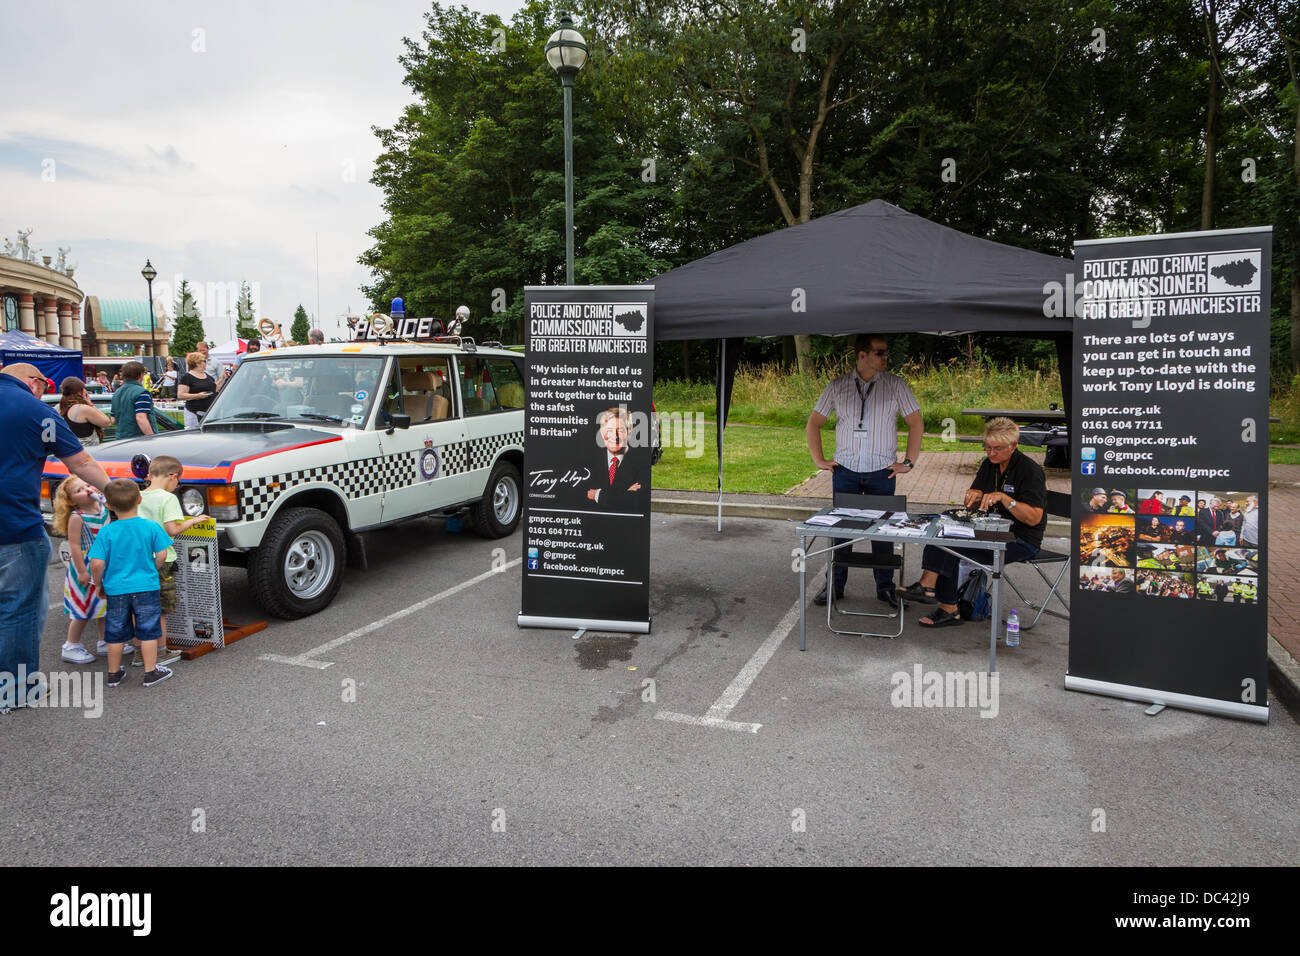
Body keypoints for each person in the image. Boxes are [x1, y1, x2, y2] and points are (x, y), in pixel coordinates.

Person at [0, 363, 110, 711]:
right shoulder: (33, 409)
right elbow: (81, 463)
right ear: (33, 383)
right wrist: (120, 495)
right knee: (19, 610)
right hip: (13, 525)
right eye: (44, 384)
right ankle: (16, 688)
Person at [807, 334, 922, 607]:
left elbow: (916, 424)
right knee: (841, 532)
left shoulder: (896, 386)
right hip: (845, 471)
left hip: (882, 473)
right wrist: (819, 460)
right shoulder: (837, 386)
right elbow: (813, 424)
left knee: (883, 533)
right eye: (880, 352)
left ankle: (885, 588)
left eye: (885, 353)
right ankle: (835, 586)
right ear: (862, 355)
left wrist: (908, 462)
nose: (885, 358)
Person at [900, 417, 1045, 626]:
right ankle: (933, 592)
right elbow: (975, 508)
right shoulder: (990, 464)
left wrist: (1006, 499)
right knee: (942, 533)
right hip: (990, 529)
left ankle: (942, 601)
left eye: (997, 448)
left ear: (1014, 446)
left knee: (952, 546)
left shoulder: (1029, 471)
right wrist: (974, 497)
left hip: (1021, 539)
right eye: (987, 447)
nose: (991, 453)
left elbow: (1034, 518)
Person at [87, 479, 175, 688]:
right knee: (148, 629)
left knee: (115, 632)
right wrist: (152, 568)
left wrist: (98, 584)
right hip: (146, 586)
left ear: (109, 505)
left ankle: (114, 674)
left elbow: (97, 563)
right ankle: (150, 671)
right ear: (139, 499)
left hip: (116, 588)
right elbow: (162, 554)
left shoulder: (107, 531)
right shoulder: (151, 526)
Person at [137, 456, 211, 664]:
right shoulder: (168, 499)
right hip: (162, 559)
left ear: (150, 476)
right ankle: (161, 651)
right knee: (160, 610)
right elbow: (172, 529)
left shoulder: (139, 496)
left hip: (140, 558)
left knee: (139, 609)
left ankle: (137, 653)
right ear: (173, 476)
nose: (177, 485)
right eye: (178, 481)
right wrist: (195, 520)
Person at [51, 477, 111, 664]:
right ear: (71, 501)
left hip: (102, 563)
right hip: (85, 565)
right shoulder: (77, 517)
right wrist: (82, 572)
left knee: (103, 607)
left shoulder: (103, 509)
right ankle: (71, 646)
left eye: (86, 485)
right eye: (79, 490)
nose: (86, 489)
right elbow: (75, 546)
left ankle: (104, 642)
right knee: (83, 609)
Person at [583, 407, 645, 510]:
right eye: (609, 430)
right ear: (602, 434)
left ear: (629, 433)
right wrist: (625, 494)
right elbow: (583, 496)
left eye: (620, 431)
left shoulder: (641, 462)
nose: (614, 436)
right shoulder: (589, 462)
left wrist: (598, 495)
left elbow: (635, 499)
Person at [58, 377, 113, 447]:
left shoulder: (59, 407)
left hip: (68, 451)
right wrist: (90, 404)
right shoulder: (82, 409)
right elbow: (107, 422)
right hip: (86, 452)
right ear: (82, 391)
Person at [110, 361, 158, 440]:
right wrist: (151, 438)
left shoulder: (116, 393)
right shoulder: (142, 393)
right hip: (138, 440)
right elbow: (140, 418)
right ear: (140, 375)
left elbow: (113, 420)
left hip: (120, 439)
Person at [177, 351, 218, 428]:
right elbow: (180, 395)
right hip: (193, 413)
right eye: (204, 361)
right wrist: (198, 396)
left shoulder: (208, 376)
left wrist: (223, 379)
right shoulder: (187, 377)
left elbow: (214, 389)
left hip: (209, 413)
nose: (206, 363)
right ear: (197, 363)